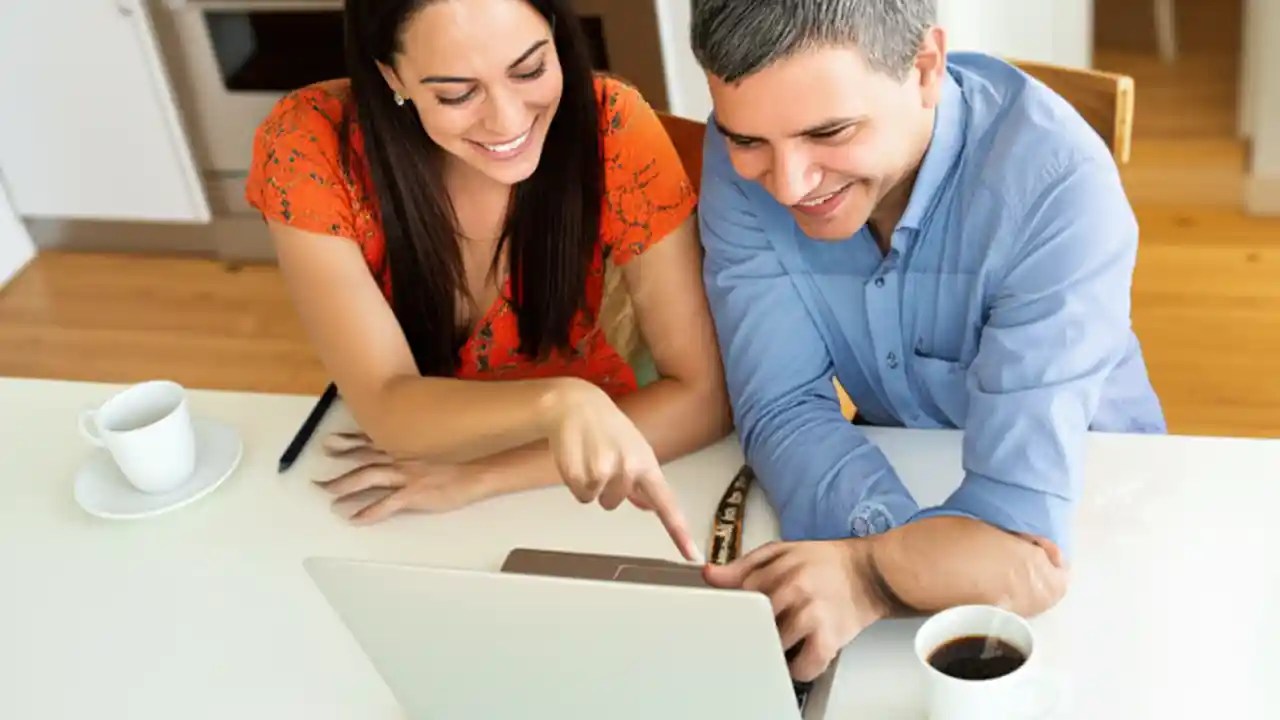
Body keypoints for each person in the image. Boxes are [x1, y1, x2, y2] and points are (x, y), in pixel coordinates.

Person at [689, 0, 1167, 681]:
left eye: (830, 131)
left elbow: (1023, 546)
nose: (788, 183)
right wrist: (900, 555)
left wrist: (868, 575)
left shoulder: (1060, 188)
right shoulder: (745, 149)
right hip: (895, 473)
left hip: (1104, 505)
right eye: (748, 141)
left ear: (925, 68)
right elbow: (781, 404)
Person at [244, 0, 733, 562]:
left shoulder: (611, 125)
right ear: (391, 75)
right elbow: (385, 403)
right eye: (456, 93)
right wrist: (559, 404)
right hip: (432, 463)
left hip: (579, 468)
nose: (506, 120)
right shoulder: (309, 147)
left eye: (529, 70)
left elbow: (705, 401)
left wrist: (482, 477)